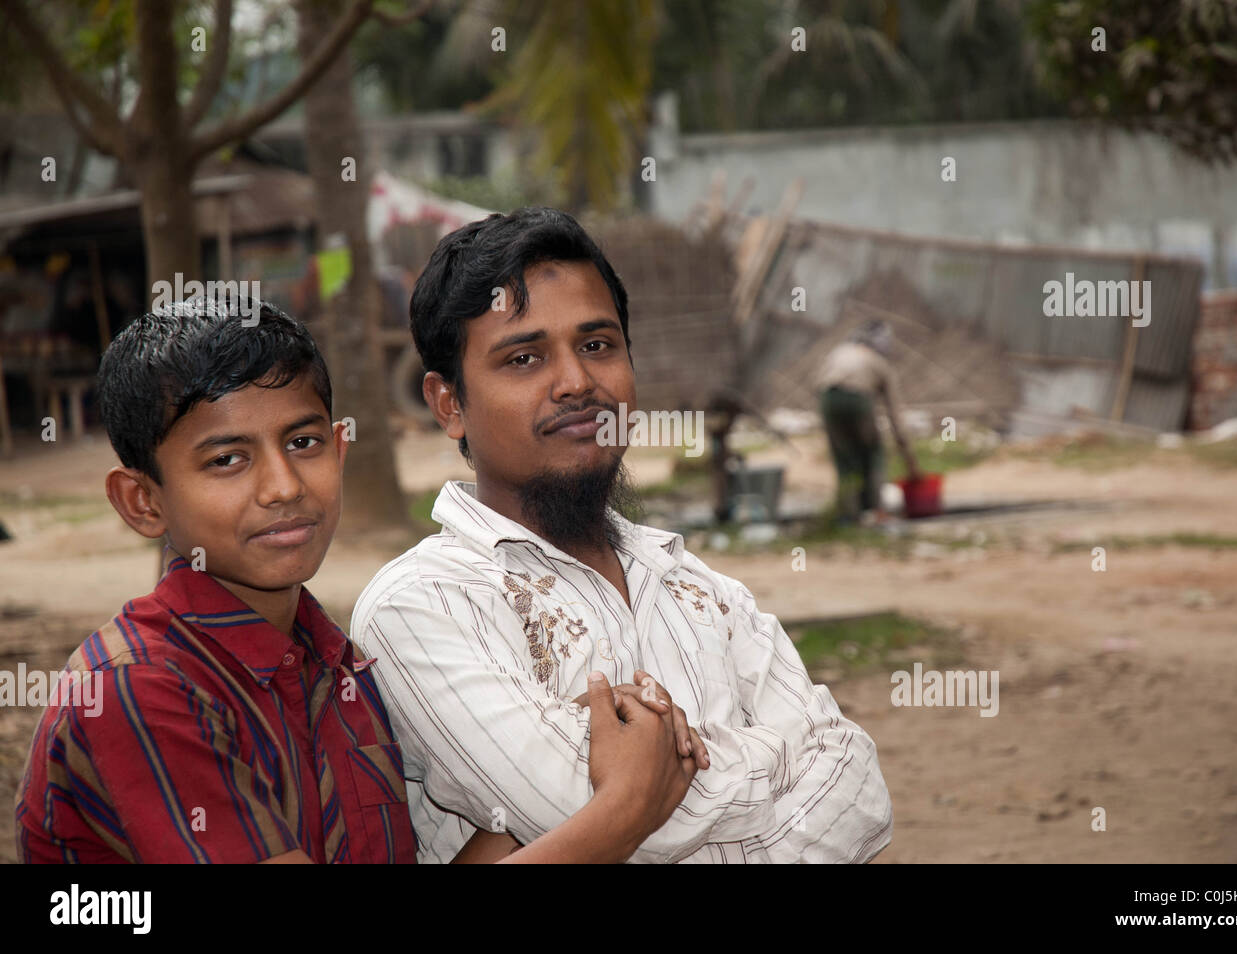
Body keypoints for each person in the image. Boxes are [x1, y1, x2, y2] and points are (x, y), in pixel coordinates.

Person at [15, 298, 700, 864]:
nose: (283, 487)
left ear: (340, 450)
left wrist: (579, 746)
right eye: (227, 459)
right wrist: (621, 812)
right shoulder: (137, 688)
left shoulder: (337, 665)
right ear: (143, 501)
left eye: (304, 443)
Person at [351, 207, 893, 863]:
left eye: (597, 345)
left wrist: (660, 780)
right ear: (449, 405)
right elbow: (575, 807)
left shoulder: (704, 590)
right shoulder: (423, 606)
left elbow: (858, 786)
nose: (577, 382)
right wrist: (774, 761)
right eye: (523, 358)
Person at [816, 321, 920, 524]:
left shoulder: (840, 351)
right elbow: (895, 416)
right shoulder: (879, 363)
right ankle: (877, 510)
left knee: (845, 459)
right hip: (858, 399)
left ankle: (848, 515)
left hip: (827, 398)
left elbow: (818, 382)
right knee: (874, 453)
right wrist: (910, 462)